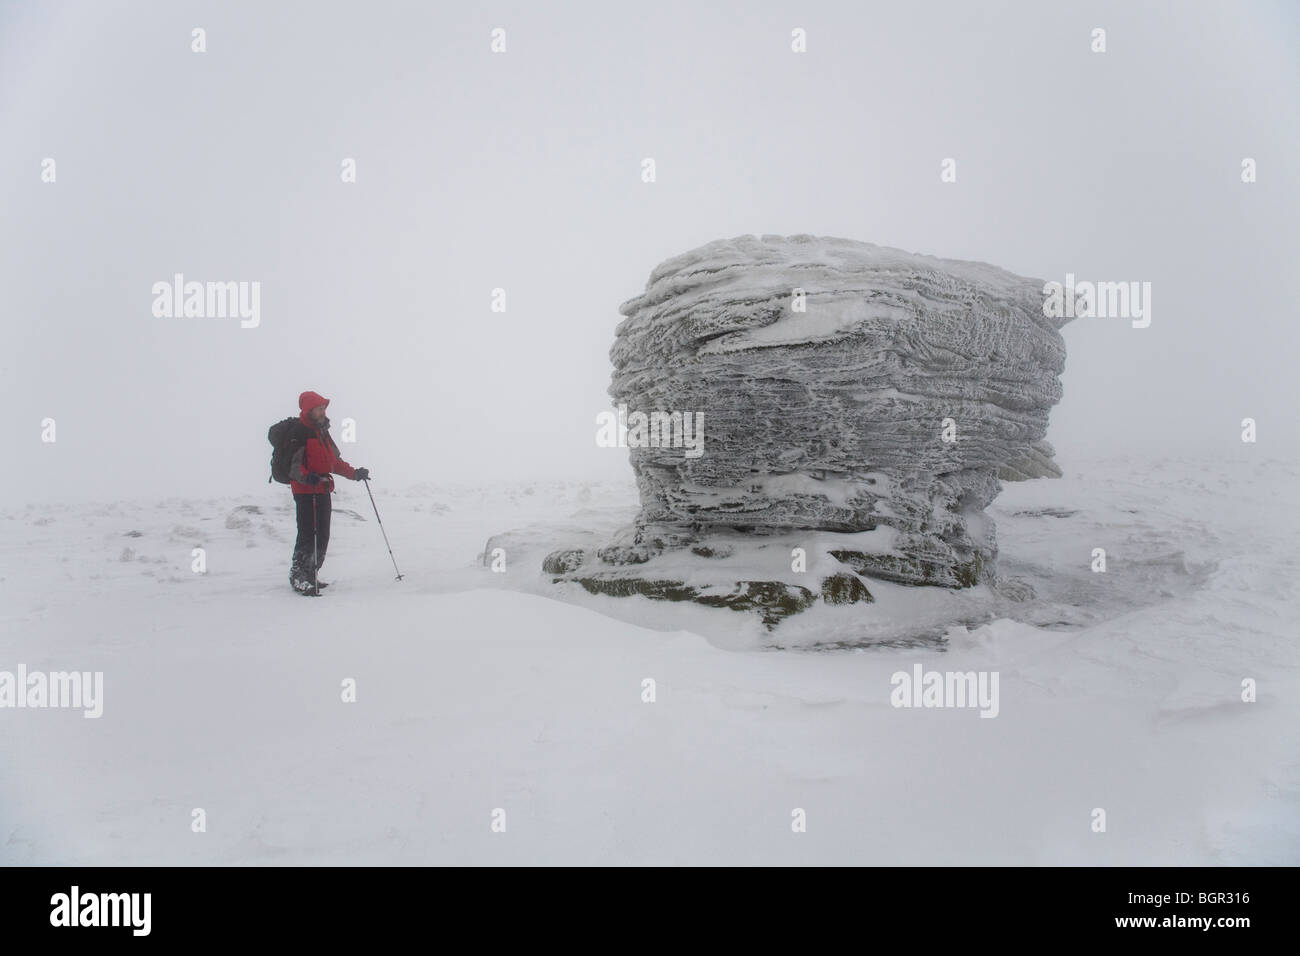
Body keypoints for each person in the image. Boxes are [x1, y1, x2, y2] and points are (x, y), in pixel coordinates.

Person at [289, 390, 370, 594]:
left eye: (323, 407)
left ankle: (311, 573)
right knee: (308, 533)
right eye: (318, 408)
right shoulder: (299, 432)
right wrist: (307, 477)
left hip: (323, 488)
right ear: (308, 410)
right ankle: (299, 576)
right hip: (305, 490)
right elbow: (294, 465)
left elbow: (334, 462)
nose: (323, 411)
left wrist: (355, 473)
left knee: (322, 534)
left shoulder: (323, 432)